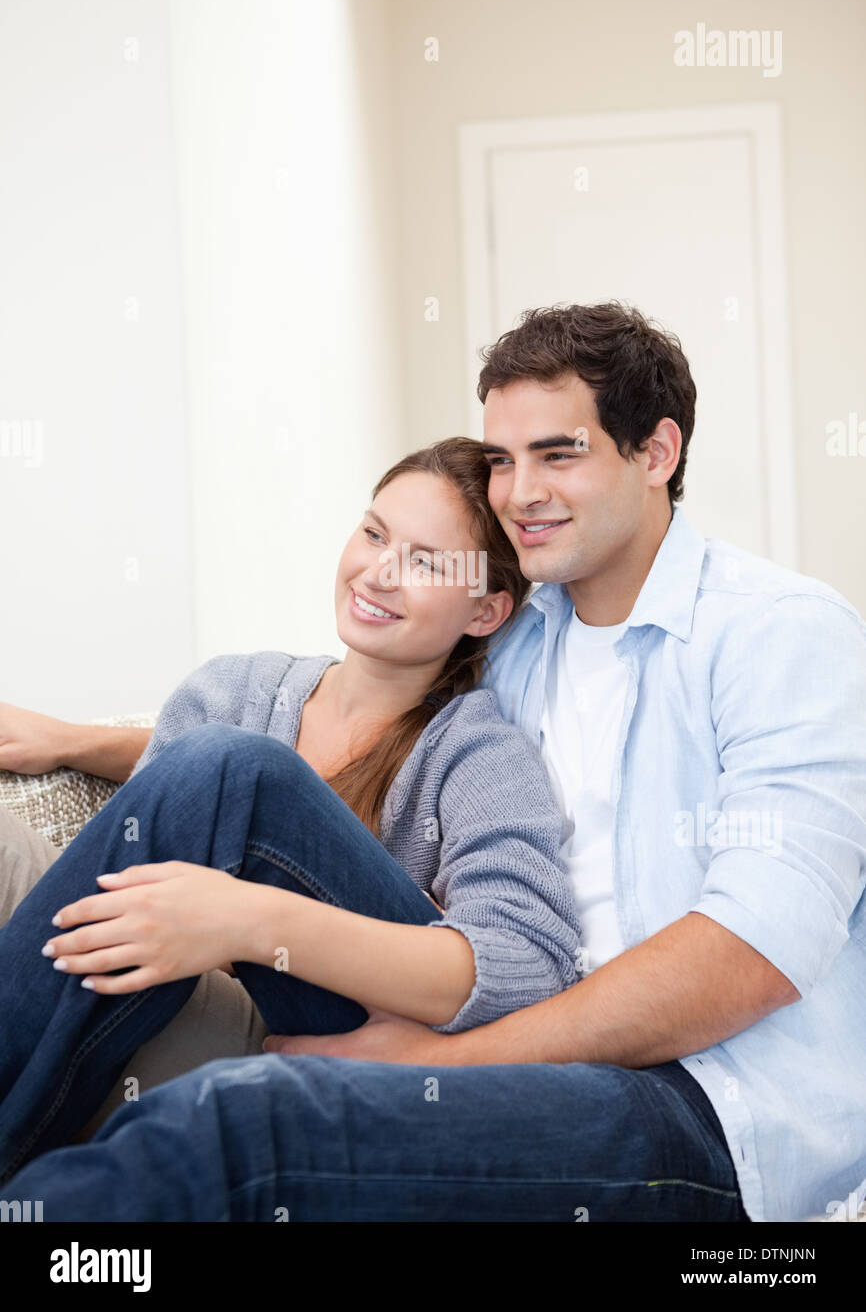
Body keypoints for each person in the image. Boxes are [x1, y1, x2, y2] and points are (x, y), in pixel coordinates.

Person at [3, 301, 865, 1223]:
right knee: (233, 772)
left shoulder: (780, 635)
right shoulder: (521, 640)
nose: (520, 491)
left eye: (559, 454)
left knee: (234, 1123)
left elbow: (750, 957)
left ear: (655, 454)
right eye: (503, 459)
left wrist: (438, 1062)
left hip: (694, 1108)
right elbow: (334, 729)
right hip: (497, 1020)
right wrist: (81, 739)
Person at [0, 436, 583, 1182]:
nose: (378, 571)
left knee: (234, 765)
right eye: (374, 534)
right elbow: (118, 870)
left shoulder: (477, 755)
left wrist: (249, 923)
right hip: (150, 1006)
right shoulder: (230, 690)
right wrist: (72, 744)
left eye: (427, 562)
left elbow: (529, 965)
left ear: (486, 610)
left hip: (294, 1043)